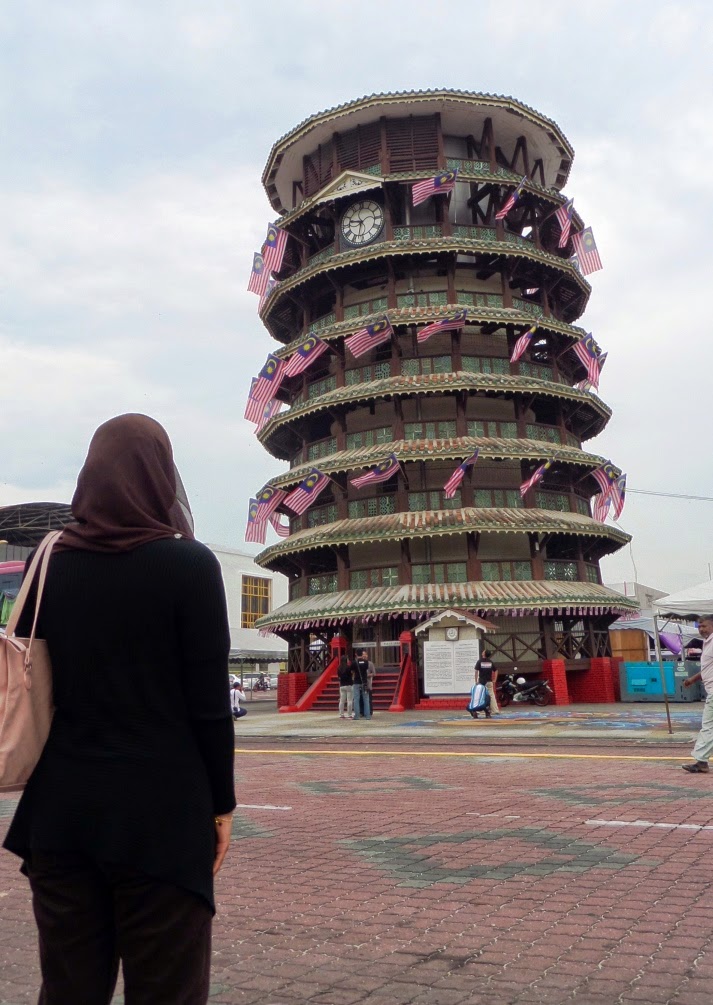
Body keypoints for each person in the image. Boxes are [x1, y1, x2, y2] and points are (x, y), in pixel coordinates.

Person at [2, 414, 235, 1005]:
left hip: (62, 813)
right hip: (163, 816)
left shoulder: (49, 561)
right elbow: (209, 706)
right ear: (163, 476)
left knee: (69, 990)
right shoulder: (190, 566)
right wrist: (222, 807)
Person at [682, 614, 713, 773]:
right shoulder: (707, 643)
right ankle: (701, 761)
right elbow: (707, 668)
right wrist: (692, 679)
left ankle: (701, 761)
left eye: (704, 626)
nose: (701, 629)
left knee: (708, 726)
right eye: (699, 627)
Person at [475, 649, 499, 714]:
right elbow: (496, 670)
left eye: (483, 651)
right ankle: (495, 710)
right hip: (489, 681)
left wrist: (476, 680)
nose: (482, 652)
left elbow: (476, 671)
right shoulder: (490, 662)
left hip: (482, 681)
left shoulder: (479, 662)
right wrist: (495, 679)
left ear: (484, 653)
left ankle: (478, 710)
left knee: (480, 696)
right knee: (491, 695)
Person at [351, 649, 372, 720]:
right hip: (364, 682)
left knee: (356, 699)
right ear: (362, 654)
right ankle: (368, 716)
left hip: (356, 682)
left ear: (356, 654)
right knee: (366, 699)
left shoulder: (354, 663)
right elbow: (366, 669)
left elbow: (352, 670)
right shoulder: (366, 662)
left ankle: (357, 715)